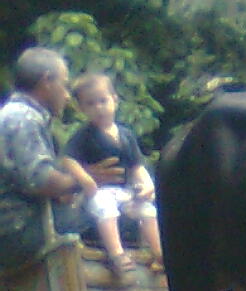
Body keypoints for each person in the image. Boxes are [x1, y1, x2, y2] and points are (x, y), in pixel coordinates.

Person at [0, 47, 97, 272]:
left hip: (13, 226)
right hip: (17, 229)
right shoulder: (23, 118)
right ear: (47, 81)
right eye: (64, 85)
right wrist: (86, 180)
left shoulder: (12, 114)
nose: (66, 95)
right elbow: (42, 181)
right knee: (110, 213)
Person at [65, 71, 164, 277]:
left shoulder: (126, 135)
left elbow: (137, 166)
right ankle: (117, 254)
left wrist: (147, 186)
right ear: (82, 109)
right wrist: (85, 180)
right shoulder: (84, 135)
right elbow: (67, 159)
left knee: (147, 209)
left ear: (115, 100)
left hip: (124, 192)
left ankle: (159, 254)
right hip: (99, 192)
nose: (98, 108)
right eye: (91, 104)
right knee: (105, 207)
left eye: (103, 100)